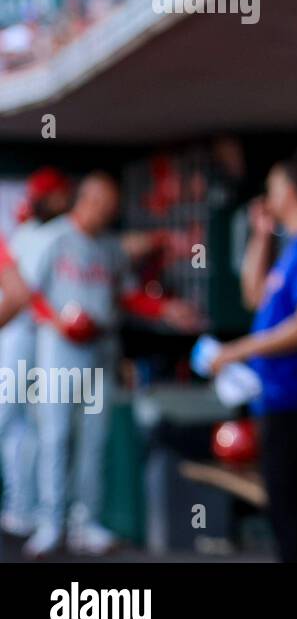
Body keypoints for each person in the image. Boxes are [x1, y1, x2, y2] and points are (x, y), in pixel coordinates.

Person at [23, 172, 200, 557]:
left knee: (94, 439)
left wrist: (165, 309)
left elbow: (127, 297)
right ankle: (50, 522)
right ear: (84, 199)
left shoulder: (109, 248)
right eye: (100, 204)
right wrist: (59, 321)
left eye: (110, 207)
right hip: (59, 350)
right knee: (55, 437)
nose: (105, 212)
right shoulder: (53, 238)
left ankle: (87, 522)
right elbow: (28, 294)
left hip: (101, 348)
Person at [214, 155, 297, 563]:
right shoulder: (292, 247)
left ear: (289, 193)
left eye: (273, 189)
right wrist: (260, 235)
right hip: (278, 398)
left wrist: (238, 350)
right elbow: (254, 296)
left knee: (294, 515)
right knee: (282, 509)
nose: (267, 199)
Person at [0, 169, 73, 538]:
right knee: (13, 425)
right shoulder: (27, 232)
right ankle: (20, 507)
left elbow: (21, 293)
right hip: (17, 336)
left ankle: (22, 509)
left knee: (22, 427)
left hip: (34, 337)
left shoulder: (64, 233)